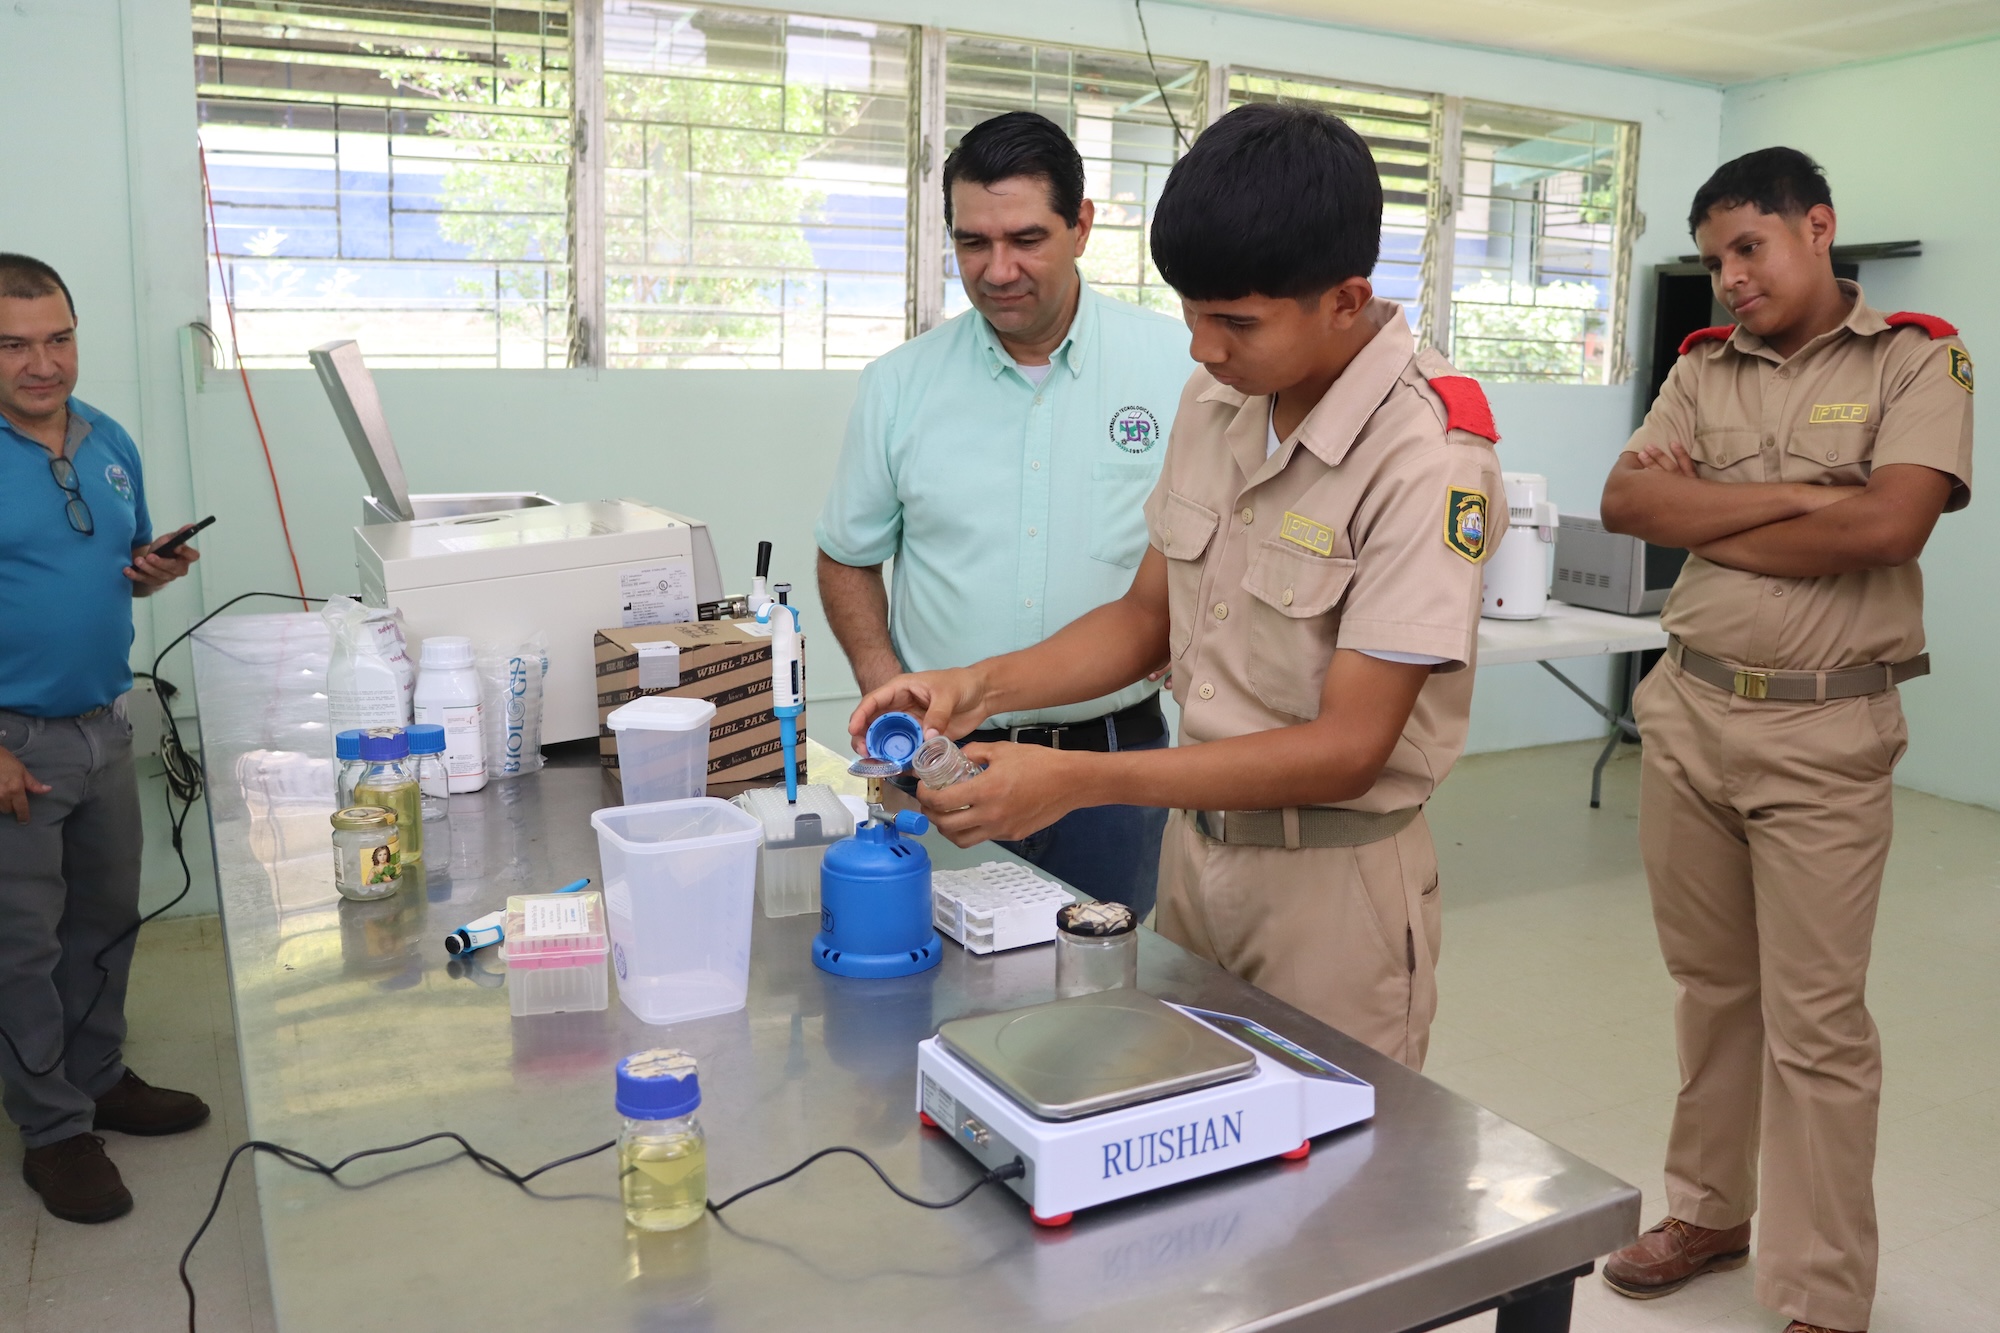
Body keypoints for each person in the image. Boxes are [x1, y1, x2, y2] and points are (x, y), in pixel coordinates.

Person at [847, 103, 1505, 1068]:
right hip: (1193, 860)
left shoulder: (1429, 455)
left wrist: (1077, 782)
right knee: (1181, 1117)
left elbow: (1347, 751)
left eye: (1234, 321)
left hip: (1331, 887)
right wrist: (974, 687)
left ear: (1345, 300)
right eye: (1192, 312)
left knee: (1325, 1153)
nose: (1201, 348)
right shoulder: (1220, 395)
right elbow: (1148, 617)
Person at [1596, 149, 1971, 1333]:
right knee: (1711, 990)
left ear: (1816, 227)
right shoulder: (1701, 365)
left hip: (1824, 728)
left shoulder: (1914, 358)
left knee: (1815, 1023)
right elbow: (1627, 503)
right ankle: (1708, 1212)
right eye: (1713, 260)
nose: (1729, 279)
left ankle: (1819, 1290)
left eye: (1746, 248)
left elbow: (1889, 526)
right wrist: (1812, 499)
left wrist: (1712, 511)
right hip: (1687, 712)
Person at [816, 111, 1191, 920]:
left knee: (1097, 982)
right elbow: (847, 552)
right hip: (938, 764)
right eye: (972, 243)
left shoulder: (1181, 370)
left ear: (1081, 226)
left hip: (1106, 767)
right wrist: (887, 686)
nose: (997, 270)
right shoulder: (900, 384)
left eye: (1026, 239)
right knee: (925, 972)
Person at [0, 253, 211, 1225]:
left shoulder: (107, 437)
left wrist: (150, 569)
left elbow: (121, 554)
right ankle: (52, 1131)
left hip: (103, 721)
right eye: (13, 345)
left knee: (105, 924)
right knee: (21, 946)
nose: (42, 363)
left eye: (58, 338)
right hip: (16, 745)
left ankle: (98, 1078)